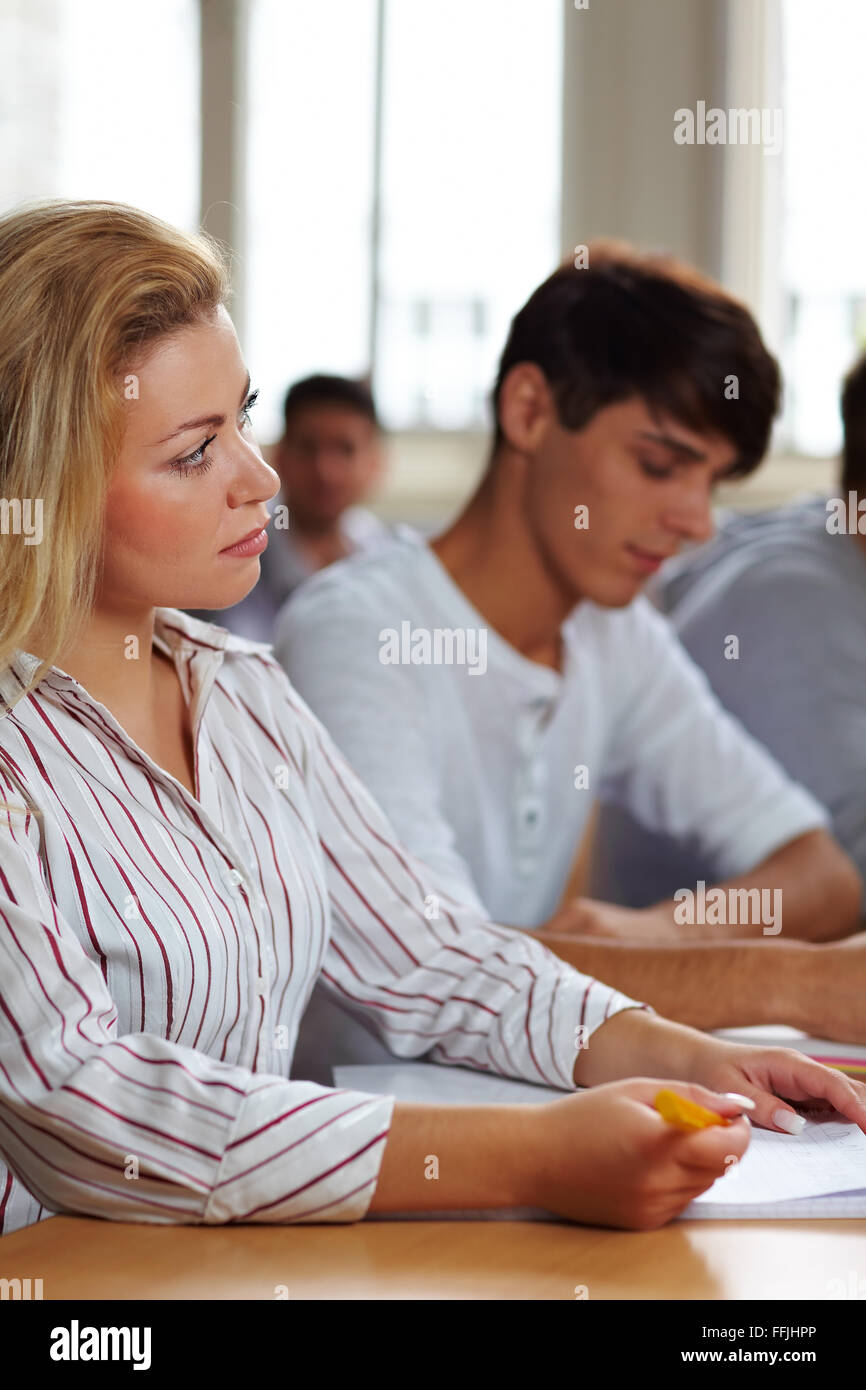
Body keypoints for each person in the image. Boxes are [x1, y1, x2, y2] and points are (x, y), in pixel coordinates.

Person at [4, 202, 865, 1240]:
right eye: (194, 452)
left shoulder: (239, 693)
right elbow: (80, 1098)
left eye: (243, 419)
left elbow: (427, 952)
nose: (263, 481)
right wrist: (532, 1155)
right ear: (40, 485)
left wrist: (677, 1051)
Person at [274, 243, 866, 1077]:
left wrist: (655, 933)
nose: (698, 521)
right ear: (528, 411)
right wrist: (789, 981)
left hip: (537, 1129)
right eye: (659, 465)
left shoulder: (611, 632)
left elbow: (819, 872)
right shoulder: (357, 634)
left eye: (714, 481)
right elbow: (440, 968)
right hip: (375, 1162)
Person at [589, 350, 866, 915]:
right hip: (676, 985)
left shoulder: (828, 541)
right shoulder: (790, 599)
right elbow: (850, 872)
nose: (696, 518)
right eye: (657, 464)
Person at [188, 374, 390, 641]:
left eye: (345, 449)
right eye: (308, 448)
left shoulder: (377, 548)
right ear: (280, 456)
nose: (326, 471)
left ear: (374, 463)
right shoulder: (239, 545)